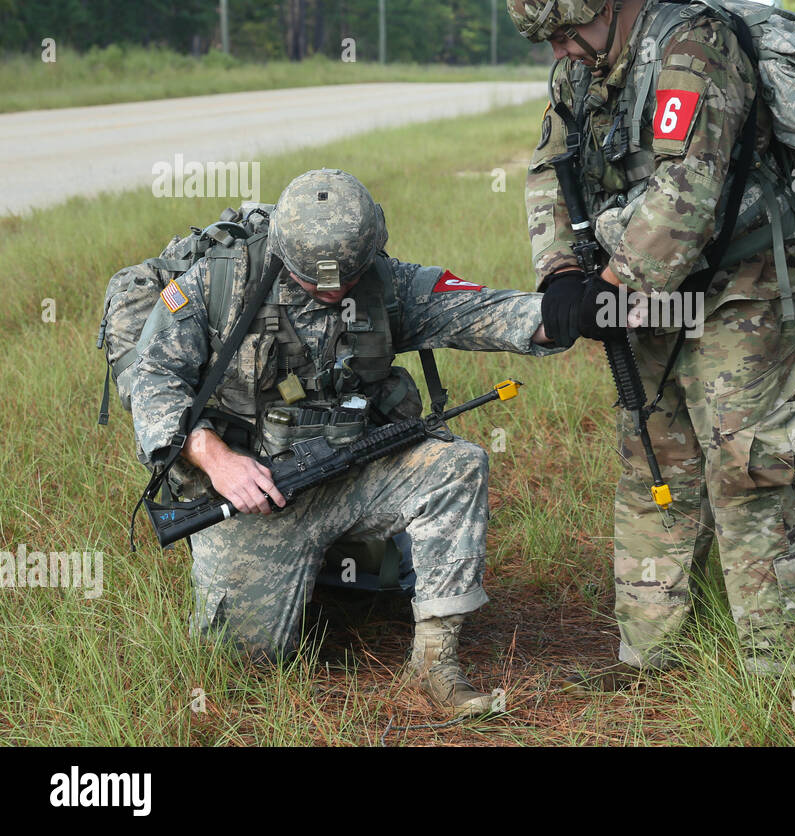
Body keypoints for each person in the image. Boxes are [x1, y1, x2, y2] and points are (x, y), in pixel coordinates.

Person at [507, 0, 795, 684]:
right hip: (649, 302)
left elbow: (690, 190)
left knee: (749, 474)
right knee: (655, 469)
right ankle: (650, 657)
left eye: (565, 32)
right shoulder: (579, 74)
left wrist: (611, 290)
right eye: (548, 40)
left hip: (738, 295)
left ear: (603, 4)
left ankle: (777, 679)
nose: (561, 51)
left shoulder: (694, 48)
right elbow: (549, 169)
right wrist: (560, 273)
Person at [130, 168, 561, 717]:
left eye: (348, 277)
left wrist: (570, 311)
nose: (334, 291)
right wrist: (217, 460)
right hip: (259, 497)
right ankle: (328, 576)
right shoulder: (218, 283)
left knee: (457, 465)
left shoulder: (387, 282)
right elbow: (153, 378)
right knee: (239, 665)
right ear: (286, 256)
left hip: (357, 475)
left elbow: (483, 310)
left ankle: (434, 669)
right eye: (316, 282)